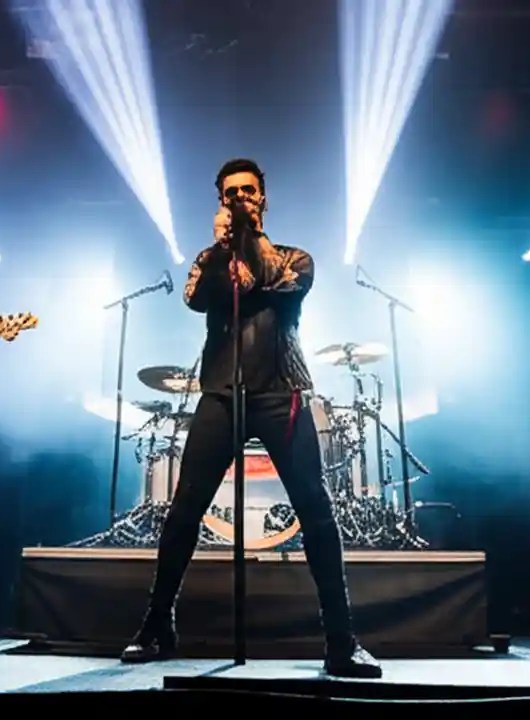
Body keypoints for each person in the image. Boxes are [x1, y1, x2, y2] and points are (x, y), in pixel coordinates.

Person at [118, 158, 381, 678]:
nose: (240, 197)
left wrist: (252, 236)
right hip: (219, 394)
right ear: (219, 198)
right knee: (184, 508)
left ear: (263, 198)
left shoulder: (294, 257)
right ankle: (156, 624)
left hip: (282, 393)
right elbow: (195, 298)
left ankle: (341, 639)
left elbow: (277, 282)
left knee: (316, 508)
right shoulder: (209, 259)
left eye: (249, 191)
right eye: (231, 191)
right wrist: (225, 247)